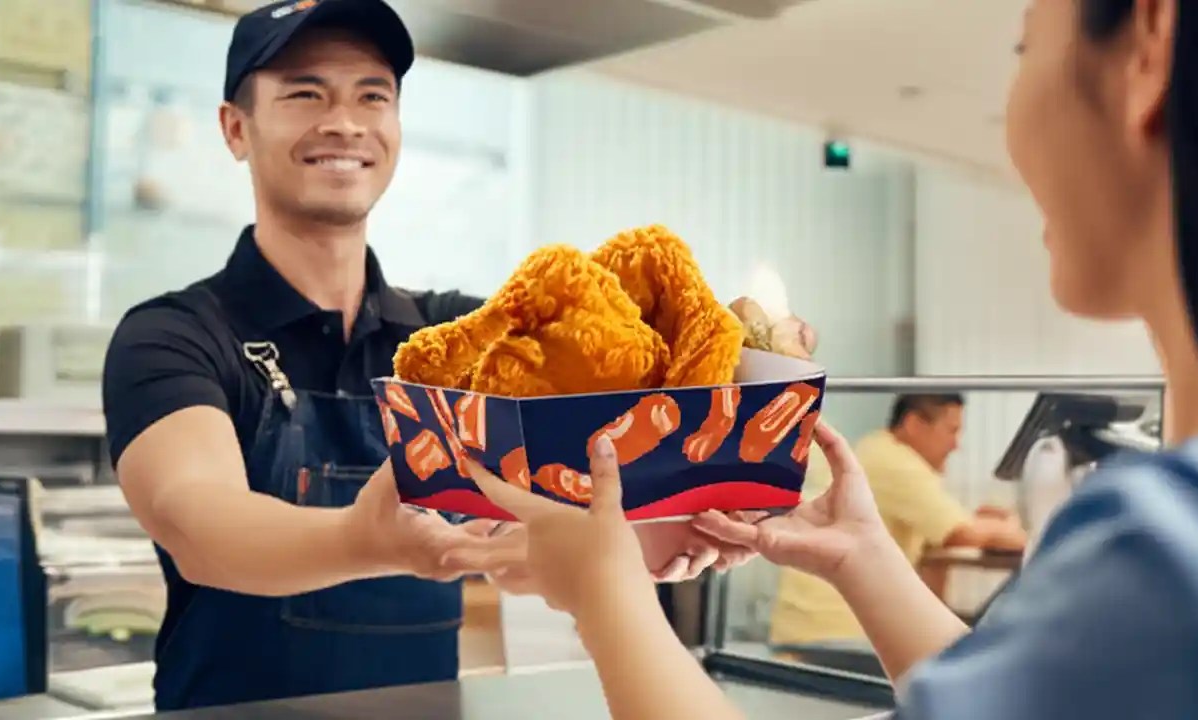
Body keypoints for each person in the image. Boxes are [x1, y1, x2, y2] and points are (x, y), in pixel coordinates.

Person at [465, 1, 1198, 717]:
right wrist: (866, 562)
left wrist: (605, 597)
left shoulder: (1178, 562)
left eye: (1025, 50)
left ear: (1150, 43)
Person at [102, 0, 744, 711]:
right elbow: (199, 523)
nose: (344, 121)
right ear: (235, 128)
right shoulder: (175, 335)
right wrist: (363, 538)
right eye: (304, 93)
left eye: (372, 95)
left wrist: (666, 521)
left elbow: (562, 505)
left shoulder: (463, 335)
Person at [769, 394, 1027, 645]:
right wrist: (1049, 532)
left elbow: (950, 534)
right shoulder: (894, 463)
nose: (955, 445)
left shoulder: (878, 451)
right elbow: (963, 534)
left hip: (819, 629)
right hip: (832, 636)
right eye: (951, 431)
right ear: (915, 424)